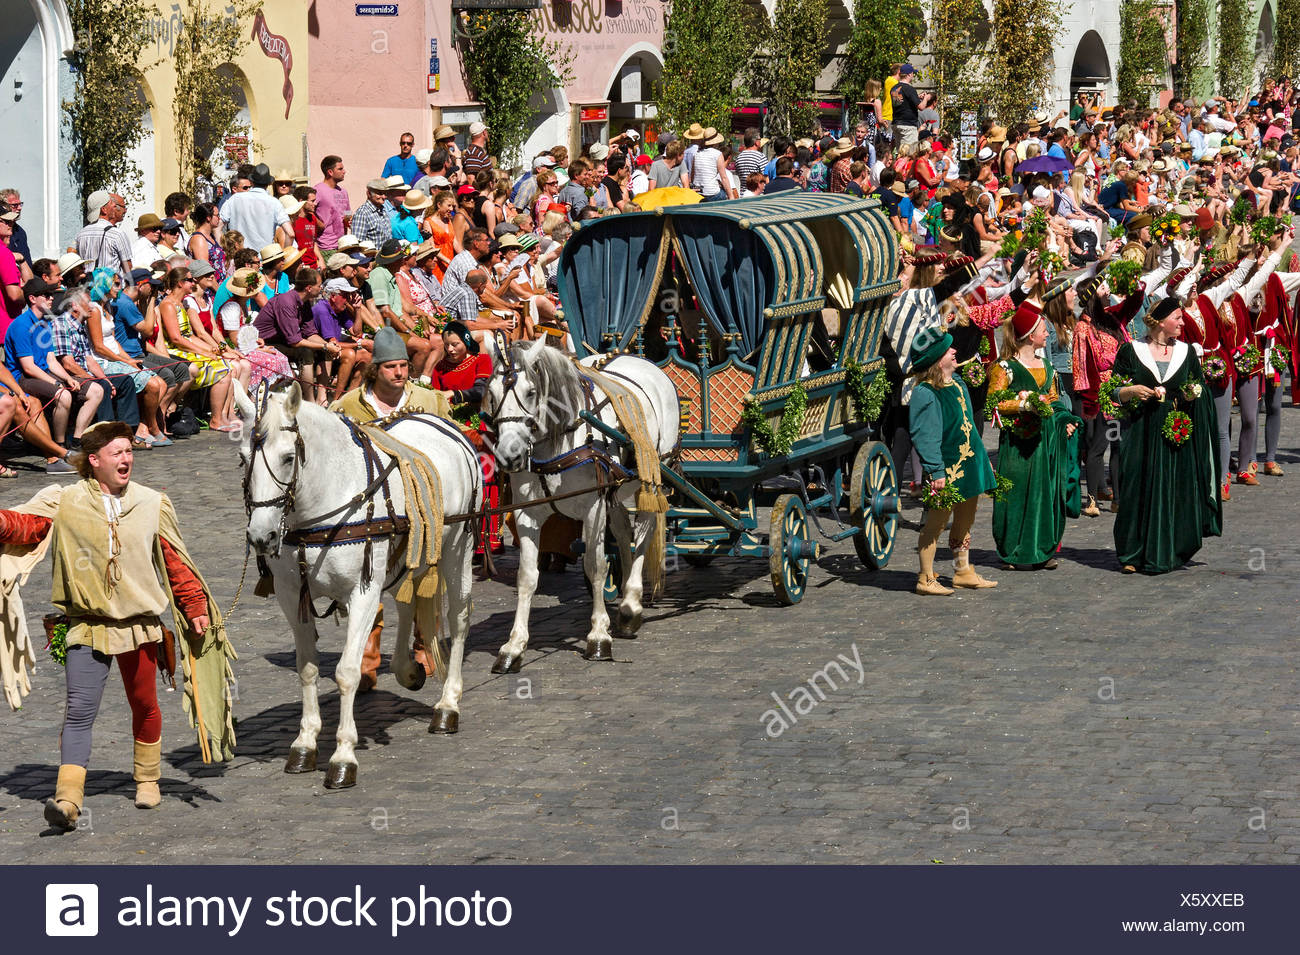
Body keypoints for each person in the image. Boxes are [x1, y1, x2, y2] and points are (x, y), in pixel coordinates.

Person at [0, 421, 228, 830]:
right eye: (117, 453)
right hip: (85, 625)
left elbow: (174, 560)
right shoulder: (63, 500)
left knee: (144, 704)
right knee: (79, 710)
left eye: (129, 451)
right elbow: (21, 526)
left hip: (140, 625)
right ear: (94, 460)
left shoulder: (152, 502)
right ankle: (68, 800)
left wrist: (193, 604)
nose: (127, 459)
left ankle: (147, 779)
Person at [329, 326, 450, 692]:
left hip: (420, 503)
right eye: (390, 367)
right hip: (371, 508)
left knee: (423, 574)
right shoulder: (348, 406)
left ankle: (422, 642)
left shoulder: (429, 401)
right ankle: (367, 658)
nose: (399, 373)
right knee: (366, 580)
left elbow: (449, 447)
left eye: (403, 366)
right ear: (374, 370)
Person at [1110, 296, 1222, 573]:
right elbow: (1112, 390)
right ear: (1161, 321)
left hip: (1176, 431)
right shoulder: (1131, 351)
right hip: (1140, 432)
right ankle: (1132, 553)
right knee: (1138, 485)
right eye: (1178, 318)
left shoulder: (1186, 352)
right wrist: (1131, 391)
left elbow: (1200, 388)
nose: (1183, 323)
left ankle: (1170, 549)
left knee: (1174, 486)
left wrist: (1192, 392)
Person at [986, 299, 1081, 570]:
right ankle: (1011, 551)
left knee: (1043, 494)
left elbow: (1053, 400)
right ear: (1029, 336)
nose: (1048, 333)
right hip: (1017, 443)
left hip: (1044, 442)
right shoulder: (1004, 367)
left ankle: (1041, 547)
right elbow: (995, 403)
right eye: (1043, 330)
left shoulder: (1046, 367)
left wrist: (1065, 420)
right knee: (1014, 495)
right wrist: (1024, 404)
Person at [906, 327, 998, 595]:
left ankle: (962, 571)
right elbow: (925, 436)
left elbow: (969, 424)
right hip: (945, 470)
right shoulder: (926, 392)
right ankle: (925, 577)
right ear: (937, 359)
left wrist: (982, 459)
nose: (955, 351)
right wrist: (935, 471)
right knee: (936, 523)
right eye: (948, 349)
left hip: (968, 466)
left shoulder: (957, 383)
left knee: (965, 520)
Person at [159, 267, 239, 431]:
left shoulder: (180, 303)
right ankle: (216, 419)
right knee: (222, 370)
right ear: (180, 283)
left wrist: (212, 349)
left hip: (184, 346)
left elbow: (190, 335)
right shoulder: (168, 305)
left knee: (226, 365)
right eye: (189, 279)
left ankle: (223, 416)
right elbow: (176, 338)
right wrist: (203, 352)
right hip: (174, 350)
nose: (193, 282)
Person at [219, 164, 289, 252]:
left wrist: (225, 250)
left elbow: (217, 227)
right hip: (264, 258)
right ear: (268, 184)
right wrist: (286, 255)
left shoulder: (234, 199)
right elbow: (290, 233)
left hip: (238, 257)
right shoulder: (274, 202)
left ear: (251, 182)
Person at [74, 191, 134, 282]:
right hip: (109, 290)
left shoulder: (81, 234)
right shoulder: (117, 234)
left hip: (88, 289)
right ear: (104, 210)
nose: (115, 206)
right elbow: (128, 269)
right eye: (112, 204)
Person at [314, 154, 350, 253]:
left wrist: (349, 219)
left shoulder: (343, 192)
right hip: (326, 246)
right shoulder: (318, 190)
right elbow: (307, 211)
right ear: (330, 172)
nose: (344, 171)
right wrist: (320, 224)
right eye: (340, 169)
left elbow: (347, 212)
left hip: (343, 245)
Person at [890, 65, 921, 148]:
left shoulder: (894, 88)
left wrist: (918, 97)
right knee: (909, 154)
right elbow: (921, 107)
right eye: (913, 74)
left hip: (896, 123)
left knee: (901, 153)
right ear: (909, 75)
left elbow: (903, 102)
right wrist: (926, 98)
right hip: (908, 126)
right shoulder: (909, 89)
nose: (913, 76)